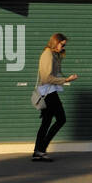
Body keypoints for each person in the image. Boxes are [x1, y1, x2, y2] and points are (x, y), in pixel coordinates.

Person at [32, 33, 77, 162]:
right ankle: (41, 149)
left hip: (49, 91)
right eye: (62, 44)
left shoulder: (53, 55)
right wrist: (66, 79)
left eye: (64, 45)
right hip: (48, 93)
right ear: (55, 42)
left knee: (46, 122)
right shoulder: (47, 55)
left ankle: (38, 151)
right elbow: (47, 78)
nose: (63, 47)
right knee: (61, 119)